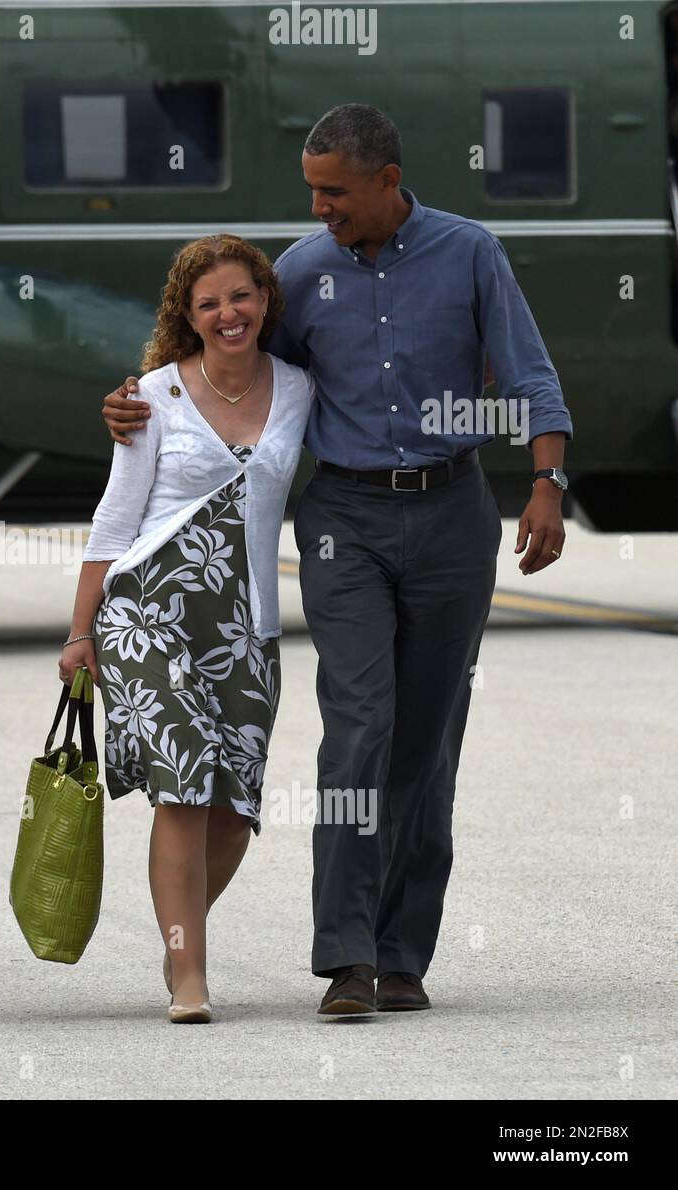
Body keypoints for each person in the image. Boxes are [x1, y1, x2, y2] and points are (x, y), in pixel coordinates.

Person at [102, 105, 572, 1016]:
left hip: (452, 514)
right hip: (344, 521)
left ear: (388, 180)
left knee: (429, 741)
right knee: (359, 726)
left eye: (334, 192)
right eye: (311, 190)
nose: (318, 208)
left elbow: (528, 374)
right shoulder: (302, 272)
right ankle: (346, 957)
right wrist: (135, 400)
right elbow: (220, 361)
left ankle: (403, 955)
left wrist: (548, 480)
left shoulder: (471, 253)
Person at [61, 235, 312, 1024]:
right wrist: (80, 632)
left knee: (235, 814)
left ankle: (180, 938)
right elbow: (114, 519)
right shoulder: (155, 396)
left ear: (265, 301)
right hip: (148, 612)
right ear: (189, 316)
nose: (228, 314)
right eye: (210, 304)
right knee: (186, 786)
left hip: (247, 627)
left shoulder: (303, 388)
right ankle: (191, 977)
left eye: (241, 297)